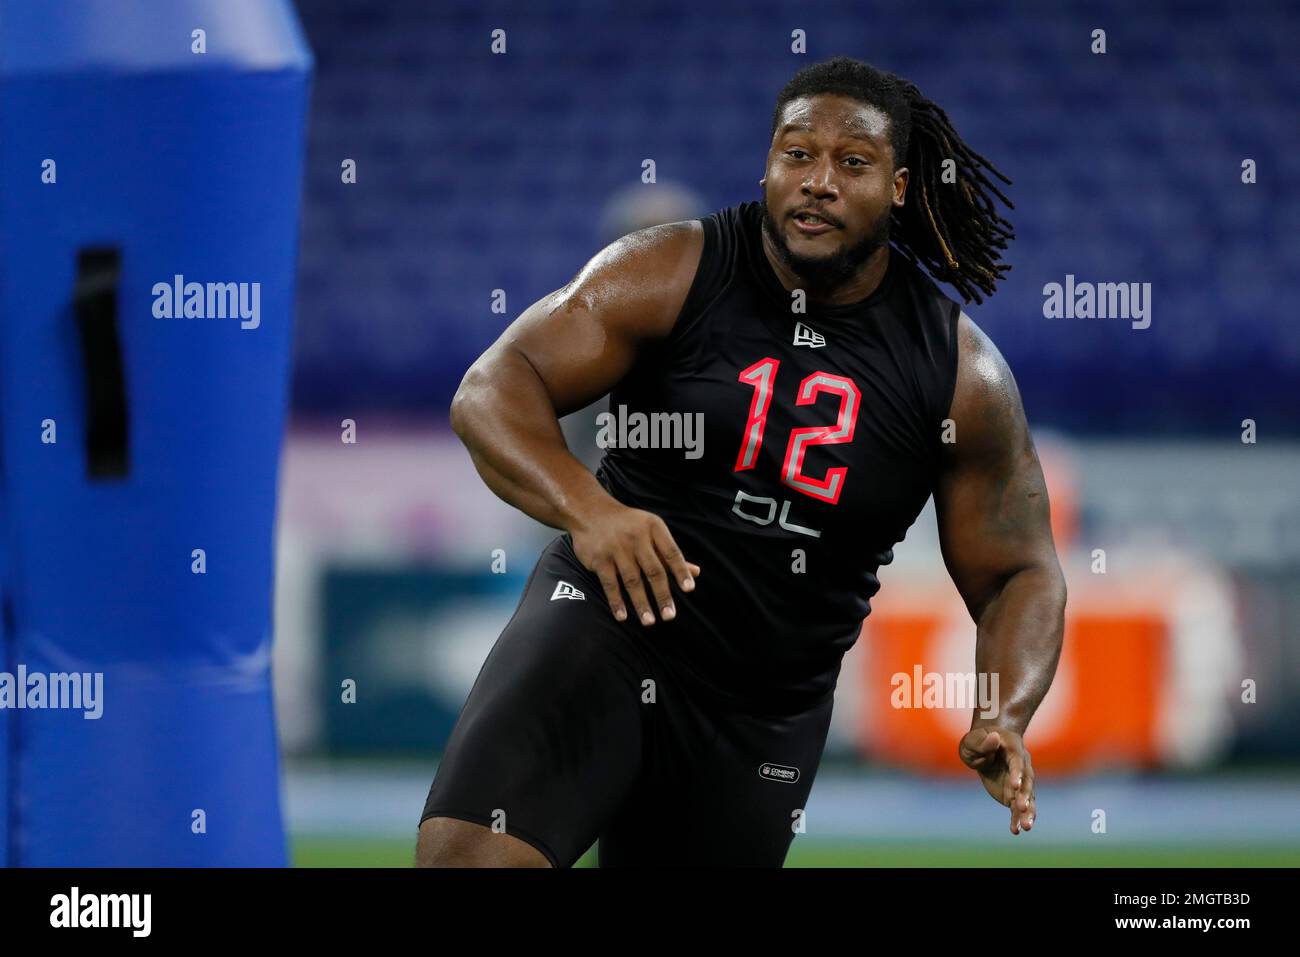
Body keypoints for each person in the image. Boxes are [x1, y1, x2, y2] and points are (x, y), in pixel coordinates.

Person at [417, 56, 1066, 867]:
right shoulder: (671, 269)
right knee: (470, 861)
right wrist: (591, 509)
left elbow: (1019, 573)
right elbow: (491, 389)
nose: (818, 182)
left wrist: (1003, 708)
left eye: (852, 163)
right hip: (608, 627)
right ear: (767, 165)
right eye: (797, 154)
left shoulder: (958, 375)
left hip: (765, 705)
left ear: (899, 188)